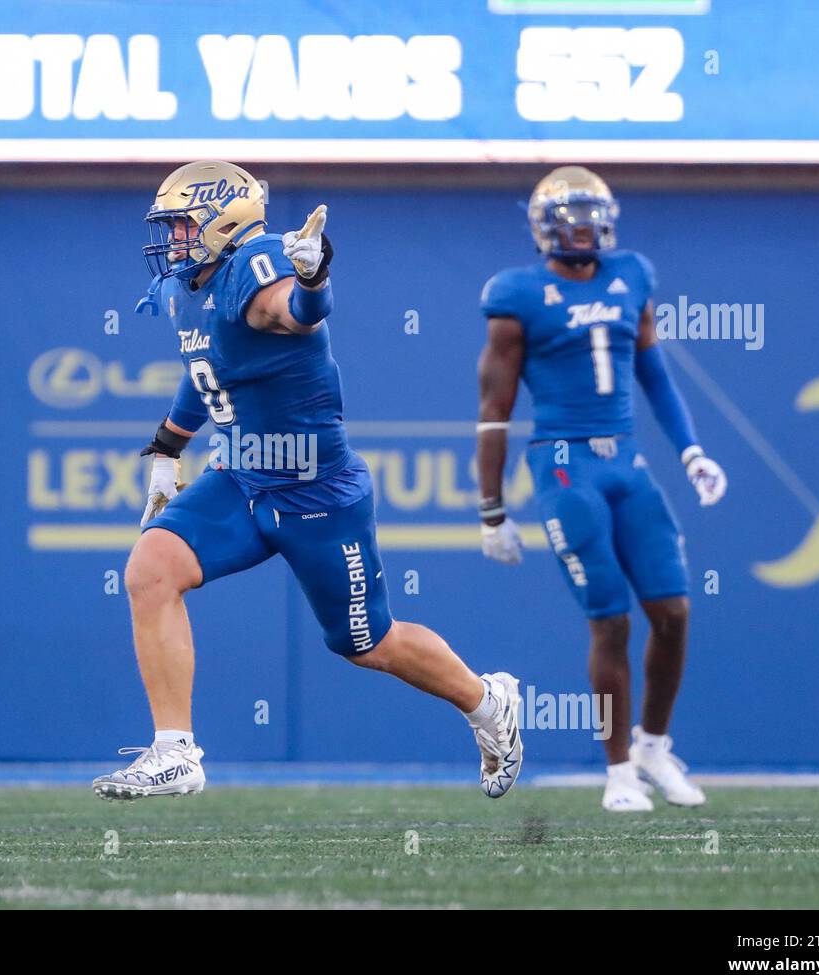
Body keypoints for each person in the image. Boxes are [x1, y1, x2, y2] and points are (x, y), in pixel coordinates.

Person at [92, 160, 522, 800]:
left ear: (224, 220)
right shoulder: (190, 285)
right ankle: (174, 752)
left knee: (368, 644)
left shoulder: (255, 264)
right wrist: (166, 447)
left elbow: (296, 312)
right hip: (241, 478)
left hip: (316, 491)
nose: (173, 240)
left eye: (184, 225)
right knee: (150, 568)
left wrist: (315, 276)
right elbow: (204, 361)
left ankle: (487, 703)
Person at [476, 167, 727, 811]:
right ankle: (617, 769)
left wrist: (693, 451)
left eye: (592, 217)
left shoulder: (631, 275)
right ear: (544, 228)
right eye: (571, 219)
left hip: (629, 461)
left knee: (672, 612)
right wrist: (492, 508)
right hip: (563, 463)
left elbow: (656, 375)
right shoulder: (517, 295)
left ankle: (652, 745)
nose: (584, 229)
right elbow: (494, 410)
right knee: (610, 619)